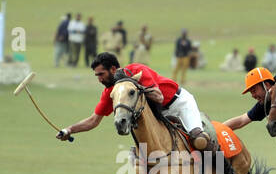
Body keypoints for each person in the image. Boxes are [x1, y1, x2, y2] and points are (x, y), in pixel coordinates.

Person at [58, 52, 218, 154]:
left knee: (199, 140)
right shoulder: (112, 91)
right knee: (142, 154)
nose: (99, 79)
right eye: (97, 76)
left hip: (179, 104)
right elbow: (94, 120)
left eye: (101, 74)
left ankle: (226, 173)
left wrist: (138, 87)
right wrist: (70, 130)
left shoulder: (137, 70)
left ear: (113, 69)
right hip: (159, 115)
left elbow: (159, 97)